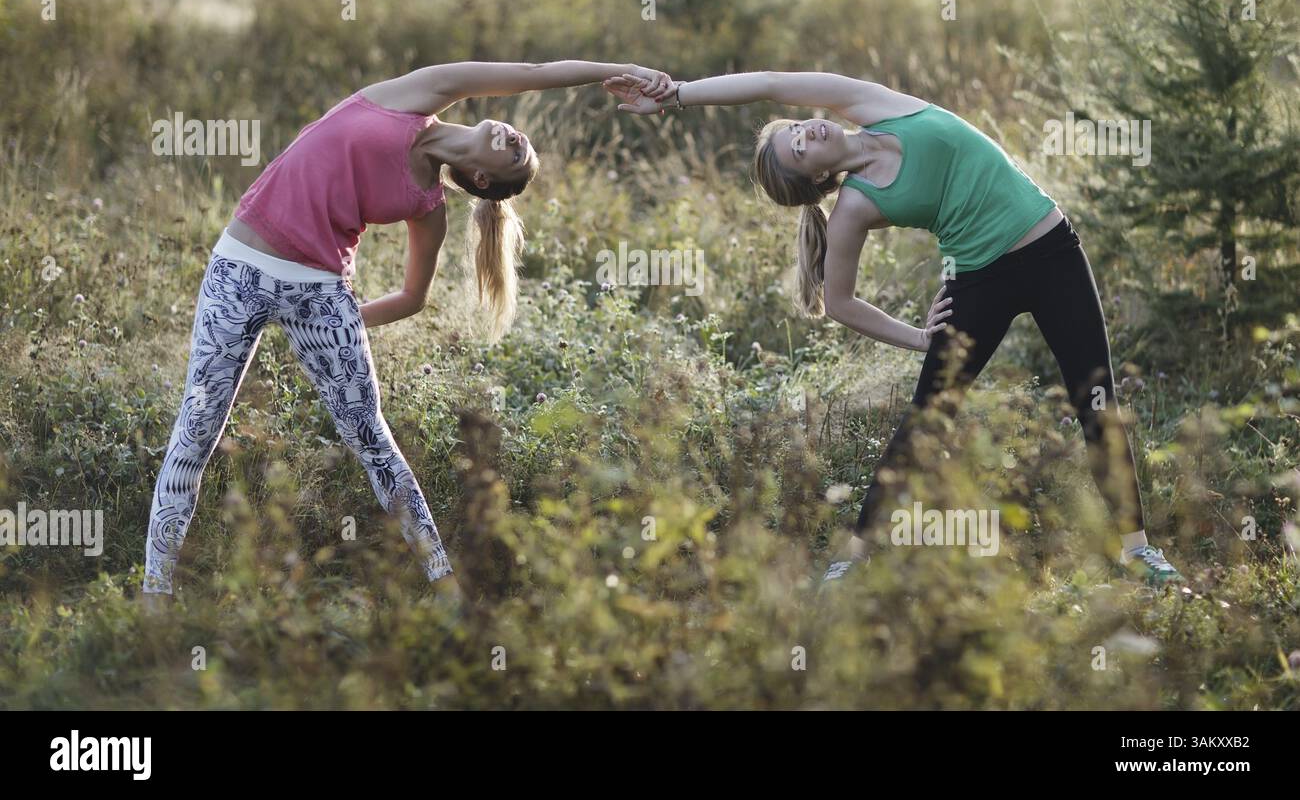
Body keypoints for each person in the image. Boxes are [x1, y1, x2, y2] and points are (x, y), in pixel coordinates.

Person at [605, 69, 1182, 586]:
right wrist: (920, 338)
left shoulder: (874, 103)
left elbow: (770, 84)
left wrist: (677, 95)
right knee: (926, 421)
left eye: (796, 132)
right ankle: (853, 559)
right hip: (979, 280)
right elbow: (839, 301)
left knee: (1096, 398)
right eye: (799, 151)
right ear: (819, 176)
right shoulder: (856, 205)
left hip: (1053, 250)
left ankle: (1137, 550)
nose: (806, 136)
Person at [142, 60, 673, 602]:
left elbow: (412, 298)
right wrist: (618, 70)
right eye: (521, 139)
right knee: (196, 433)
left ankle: (445, 589)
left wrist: (338, 324)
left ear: (484, 180)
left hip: (320, 290)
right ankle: (154, 598)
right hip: (240, 265)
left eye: (516, 153)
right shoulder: (420, 97)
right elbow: (531, 72)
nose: (516, 136)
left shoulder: (428, 207)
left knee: (371, 440)